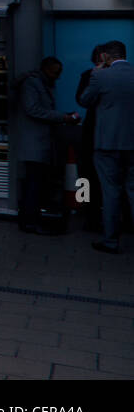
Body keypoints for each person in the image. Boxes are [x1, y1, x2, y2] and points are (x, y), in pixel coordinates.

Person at [78, 40, 134, 254]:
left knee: (110, 191)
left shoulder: (100, 75)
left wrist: (95, 73)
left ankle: (110, 240)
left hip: (107, 143)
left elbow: (84, 101)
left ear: (106, 57)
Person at [16, 57, 80, 234]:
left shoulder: (43, 84)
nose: (57, 76)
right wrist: (63, 117)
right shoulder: (32, 84)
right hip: (34, 142)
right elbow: (32, 109)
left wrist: (63, 116)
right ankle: (29, 222)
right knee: (33, 184)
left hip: (41, 142)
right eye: (54, 72)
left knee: (36, 183)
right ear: (45, 69)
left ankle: (32, 220)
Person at [75, 44, 107, 233]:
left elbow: (81, 100)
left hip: (92, 132)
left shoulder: (89, 75)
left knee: (87, 177)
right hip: (102, 133)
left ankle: (89, 215)